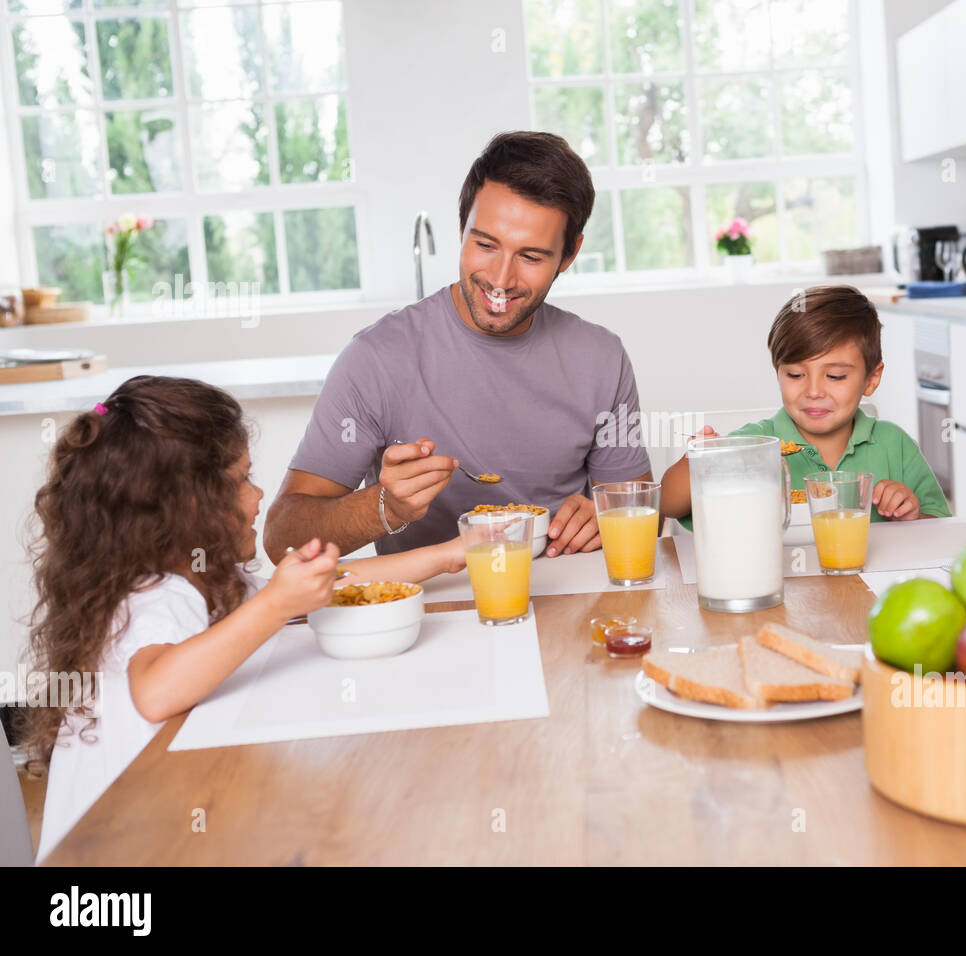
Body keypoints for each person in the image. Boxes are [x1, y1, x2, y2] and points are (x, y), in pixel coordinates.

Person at [19, 376, 466, 861]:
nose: (258, 496)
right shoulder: (153, 593)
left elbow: (335, 576)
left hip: (164, 817)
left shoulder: (202, 576)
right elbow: (155, 691)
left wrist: (452, 554)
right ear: (182, 506)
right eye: (241, 481)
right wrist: (276, 605)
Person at [264, 131, 652, 564]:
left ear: (569, 254)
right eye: (485, 245)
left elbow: (636, 508)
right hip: (434, 608)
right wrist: (384, 508)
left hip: (566, 597)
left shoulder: (601, 358)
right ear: (462, 227)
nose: (501, 281)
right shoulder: (375, 359)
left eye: (531, 257)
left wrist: (605, 514)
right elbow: (283, 541)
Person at [660, 285, 951, 524]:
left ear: (871, 379)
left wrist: (910, 516)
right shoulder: (753, 448)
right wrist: (698, 463)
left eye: (835, 376)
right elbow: (668, 505)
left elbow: (939, 529)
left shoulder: (895, 446)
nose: (813, 391)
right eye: (795, 375)